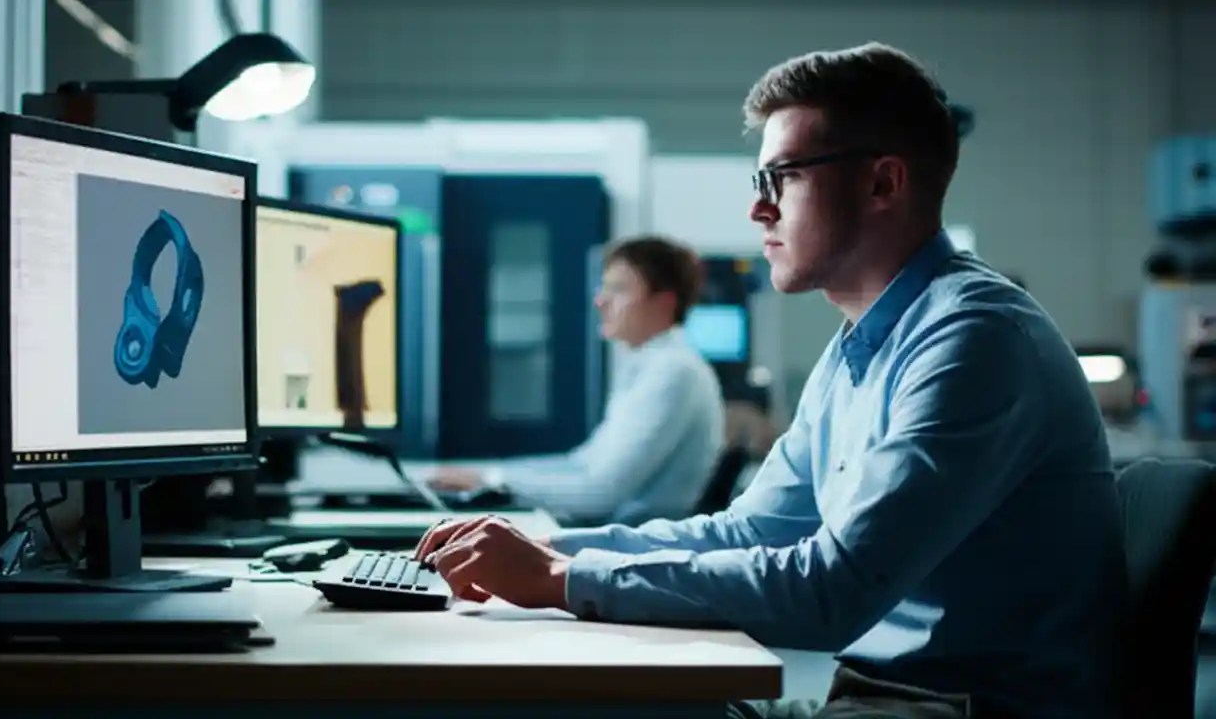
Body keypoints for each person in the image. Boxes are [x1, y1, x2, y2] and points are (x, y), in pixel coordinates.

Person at [414, 42, 1126, 719]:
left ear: (883, 181)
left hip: (960, 708)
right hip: (881, 694)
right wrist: (543, 553)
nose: (759, 209)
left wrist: (562, 581)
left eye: (781, 178)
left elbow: (830, 590)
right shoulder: (860, 345)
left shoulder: (975, 339)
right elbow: (748, 530)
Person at [428, 236, 725, 527]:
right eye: (604, 287)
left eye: (619, 289)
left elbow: (598, 493)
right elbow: (581, 464)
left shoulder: (673, 372)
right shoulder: (651, 365)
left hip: (625, 549)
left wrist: (493, 481)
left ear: (664, 302)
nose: (600, 301)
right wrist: (487, 474)